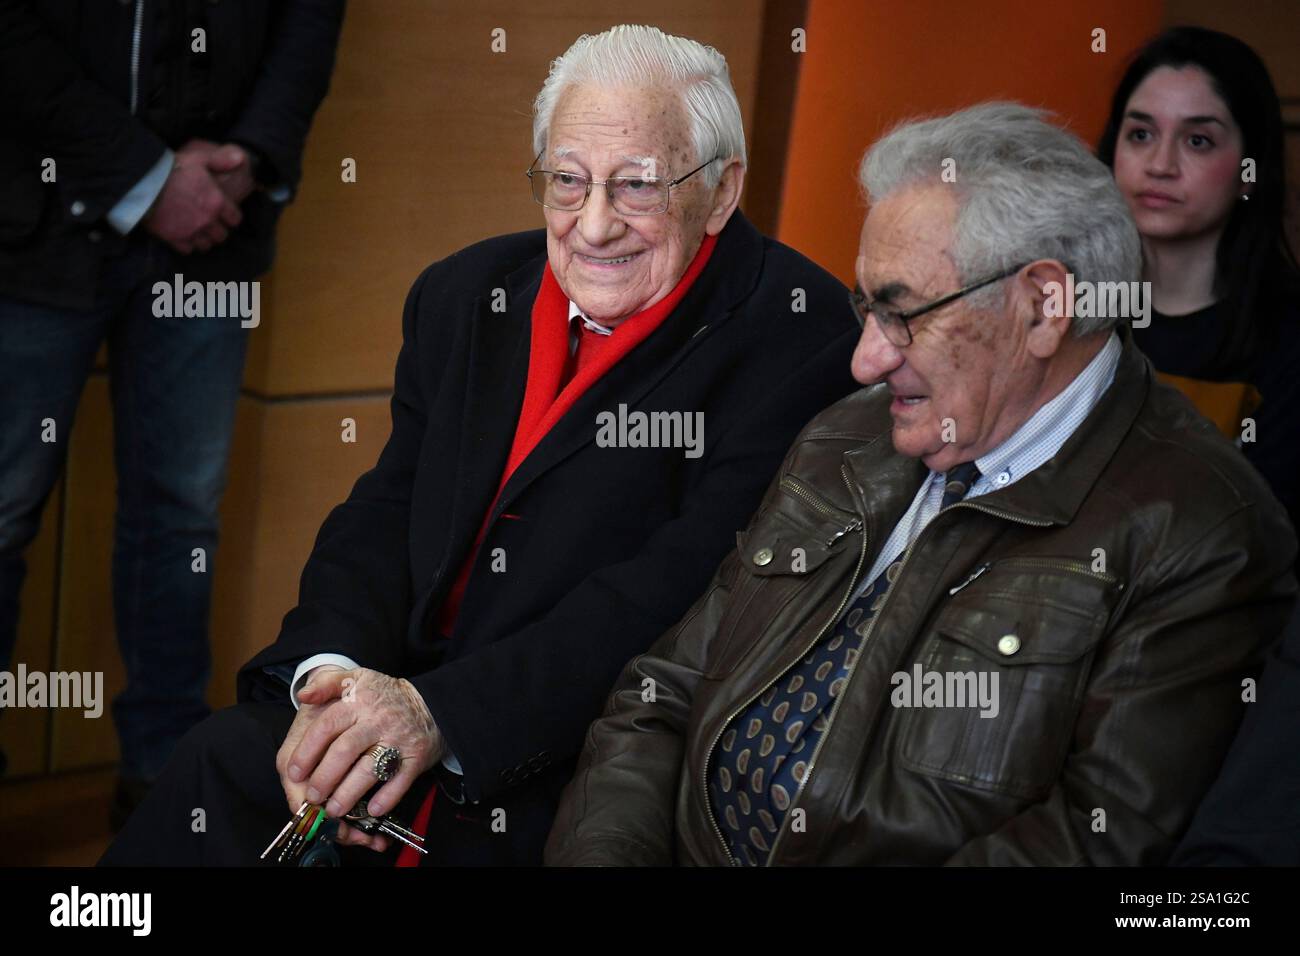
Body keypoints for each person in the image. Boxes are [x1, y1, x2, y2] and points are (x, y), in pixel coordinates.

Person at [100, 24, 860, 866]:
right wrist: (330, 678)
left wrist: (440, 716)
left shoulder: (798, 333)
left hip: (567, 745)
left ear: (720, 192)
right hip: (392, 696)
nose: (595, 225)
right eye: (567, 182)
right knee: (219, 766)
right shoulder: (465, 294)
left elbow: (678, 593)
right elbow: (386, 513)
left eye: (639, 187)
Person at [545, 103, 1297, 867]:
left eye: (904, 315)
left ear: (1043, 306)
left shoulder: (1201, 532)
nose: (865, 360)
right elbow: (662, 694)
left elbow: (1092, 845)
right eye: (865, 307)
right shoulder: (848, 433)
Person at [0, 0, 345, 822]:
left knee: (180, 517)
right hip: (30, 212)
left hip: (215, 227)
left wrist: (248, 158)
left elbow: (309, 15)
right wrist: (146, 176)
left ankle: (165, 790)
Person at [1098, 26, 1300, 563]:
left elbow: (1262, 543)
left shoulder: (1289, 338)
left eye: (1198, 140)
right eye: (1140, 134)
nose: (1160, 164)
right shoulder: (1071, 313)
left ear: (1249, 172)